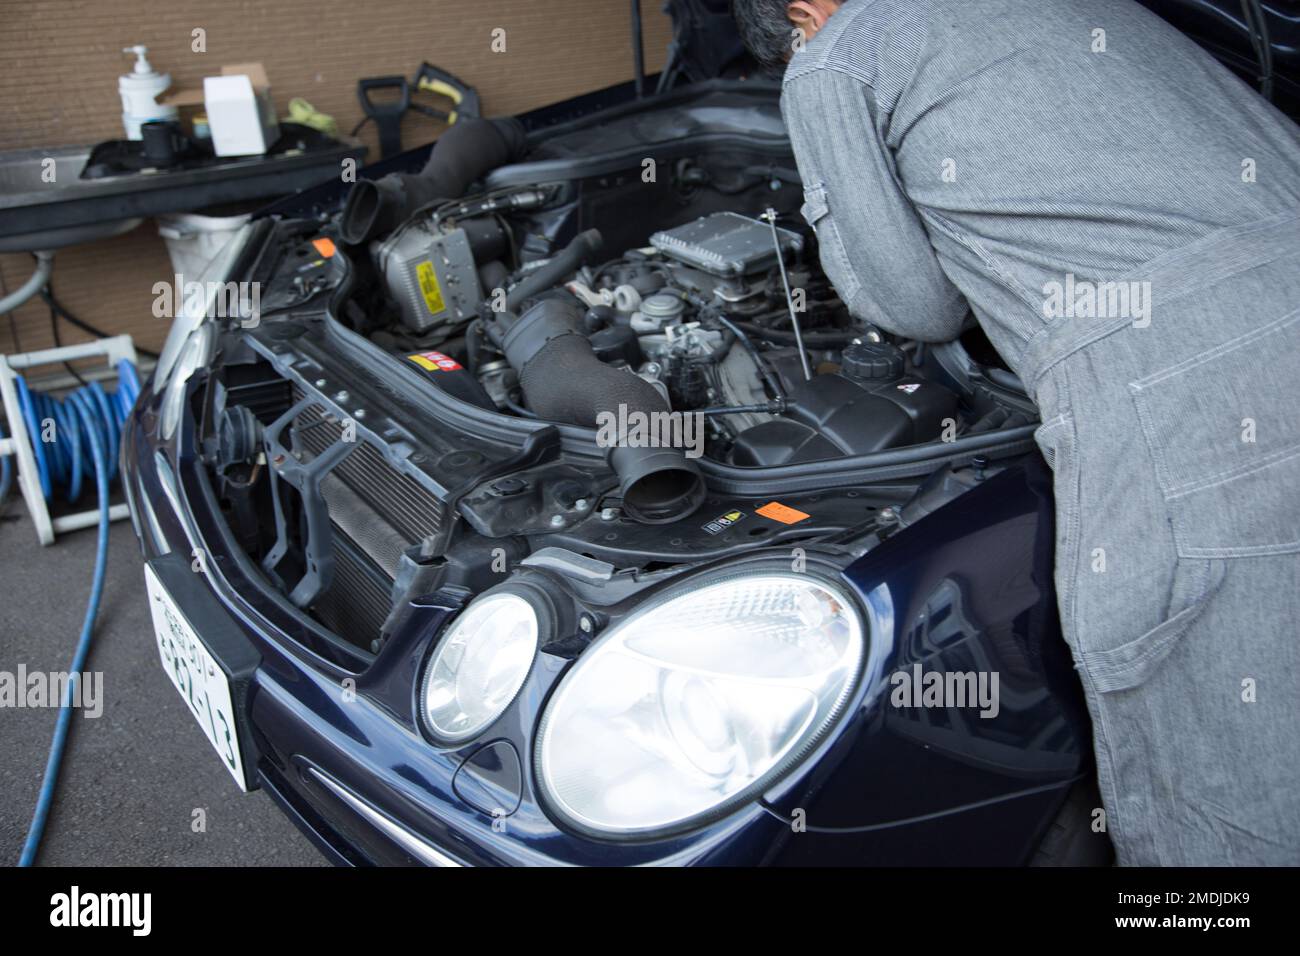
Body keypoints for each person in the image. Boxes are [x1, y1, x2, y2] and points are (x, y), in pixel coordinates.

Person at [731, 0, 1300, 865]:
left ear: (802, 14)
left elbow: (912, 303)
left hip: (1187, 381)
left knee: (1217, 758)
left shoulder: (835, 55)